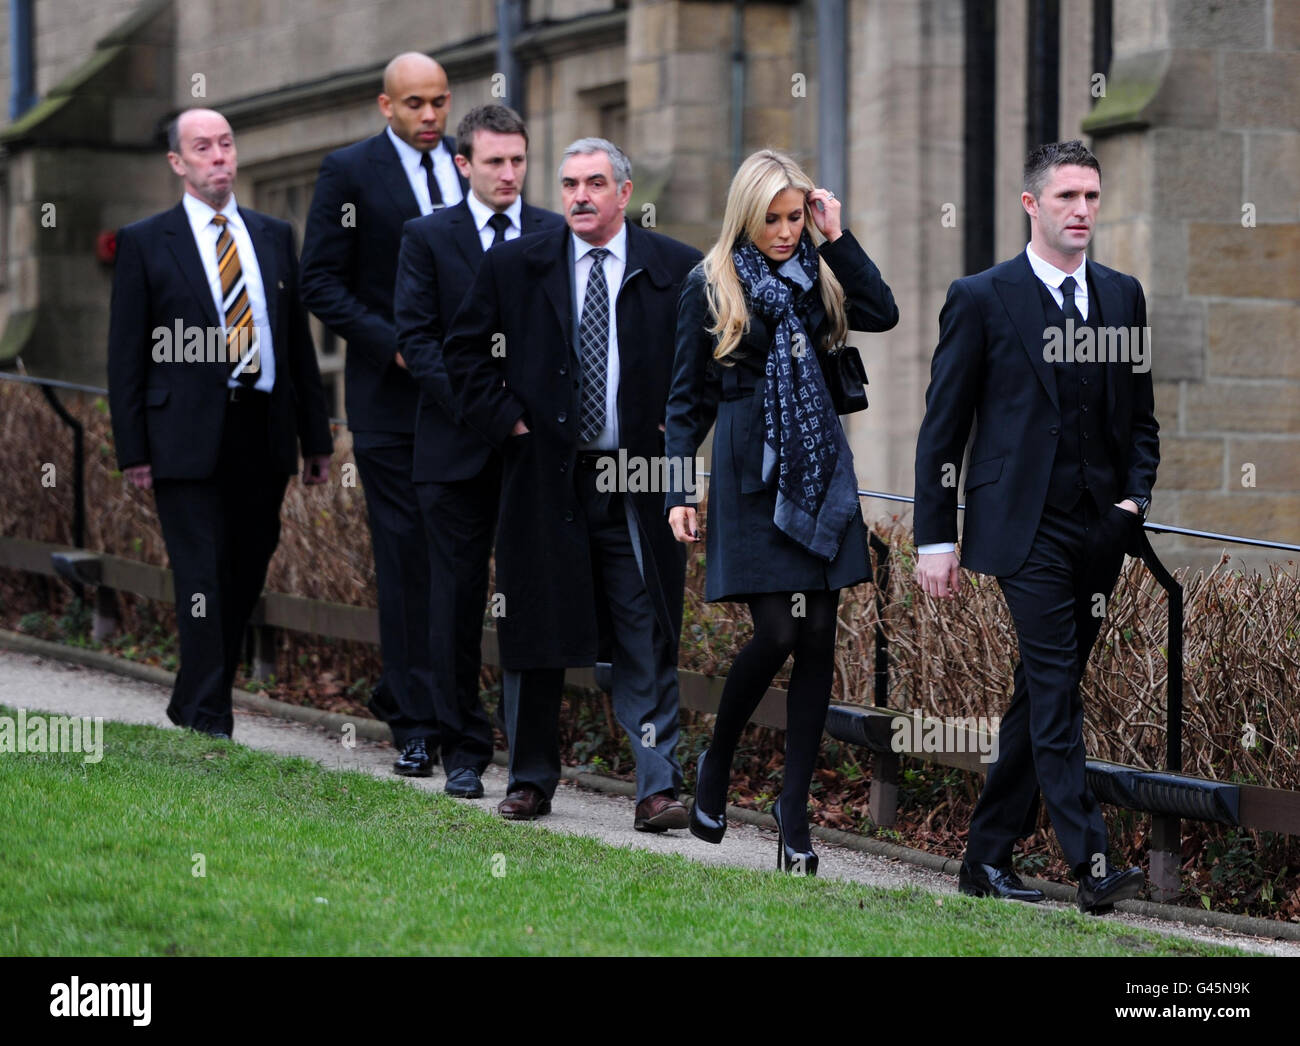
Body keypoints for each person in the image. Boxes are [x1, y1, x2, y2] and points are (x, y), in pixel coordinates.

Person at [913, 139, 1159, 914]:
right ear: (1032, 205)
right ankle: (1091, 862)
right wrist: (935, 537)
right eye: (1066, 198)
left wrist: (1133, 504)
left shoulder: (1123, 297)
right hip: (1022, 530)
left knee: (1038, 697)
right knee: (1055, 686)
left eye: (1091, 196)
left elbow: (1143, 421)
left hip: (1102, 531)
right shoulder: (982, 296)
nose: (1083, 210)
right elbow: (941, 429)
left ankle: (984, 858)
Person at [442, 137, 702, 830]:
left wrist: (678, 471)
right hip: (543, 476)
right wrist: (510, 425)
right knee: (533, 630)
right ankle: (529, 780)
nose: (579, 196)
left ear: (624, 192)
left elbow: (698, 380)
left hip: (637, 481)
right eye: (568, 184)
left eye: (594, 183)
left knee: (646, 632)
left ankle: (657, 790)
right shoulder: (516, 264)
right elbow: (462, 353)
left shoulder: (676, 268)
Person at [664, 149, 898, 876]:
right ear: (746, 213)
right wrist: (678, 488)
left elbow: (884, 314)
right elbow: (683, 402)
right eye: (774, 218)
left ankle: (791, 815)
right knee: (777, 630)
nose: (786, 230)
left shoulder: (818, 273)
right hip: (749, 473)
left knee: (821, 634)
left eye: (796, 216)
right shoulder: (710, 284)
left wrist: (838, 234)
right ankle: (717, 762)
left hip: (820, 466)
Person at [107, 107, 333, 739]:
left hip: (261, 430)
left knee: (245, 568)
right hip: (182, 438)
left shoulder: (271, 233)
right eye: (202, 147)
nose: (218, 156)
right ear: (178, 163)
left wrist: (315, 439)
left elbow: (296, 344)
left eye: (226, 144)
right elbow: (125, 353)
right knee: (202, 572)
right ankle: (212, 720)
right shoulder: (147, 241)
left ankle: (192, 697)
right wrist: (133, 449)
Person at [300, 53, 466, 778]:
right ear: (385, 106)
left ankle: (446, 706)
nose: (429, 116)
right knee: (404, 557)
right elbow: (319, 282)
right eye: (415, 105)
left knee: (454, 558)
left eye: (439, 102)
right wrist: (393, 346)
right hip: (389, 402)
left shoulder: (466, 169)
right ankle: (415, 724)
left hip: (462, 403)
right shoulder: (349, 172)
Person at [393, 105, 565, 799]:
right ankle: (462, 747)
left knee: (533, 600)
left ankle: (532, 763)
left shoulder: (555, 232)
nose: (509, 173)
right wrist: (497, 416)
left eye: (518, 160)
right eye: (494, 161)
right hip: (455, 450)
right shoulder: (427, 238)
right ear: (463, 164)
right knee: (456, 600)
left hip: (537, 456)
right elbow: (419, 343)